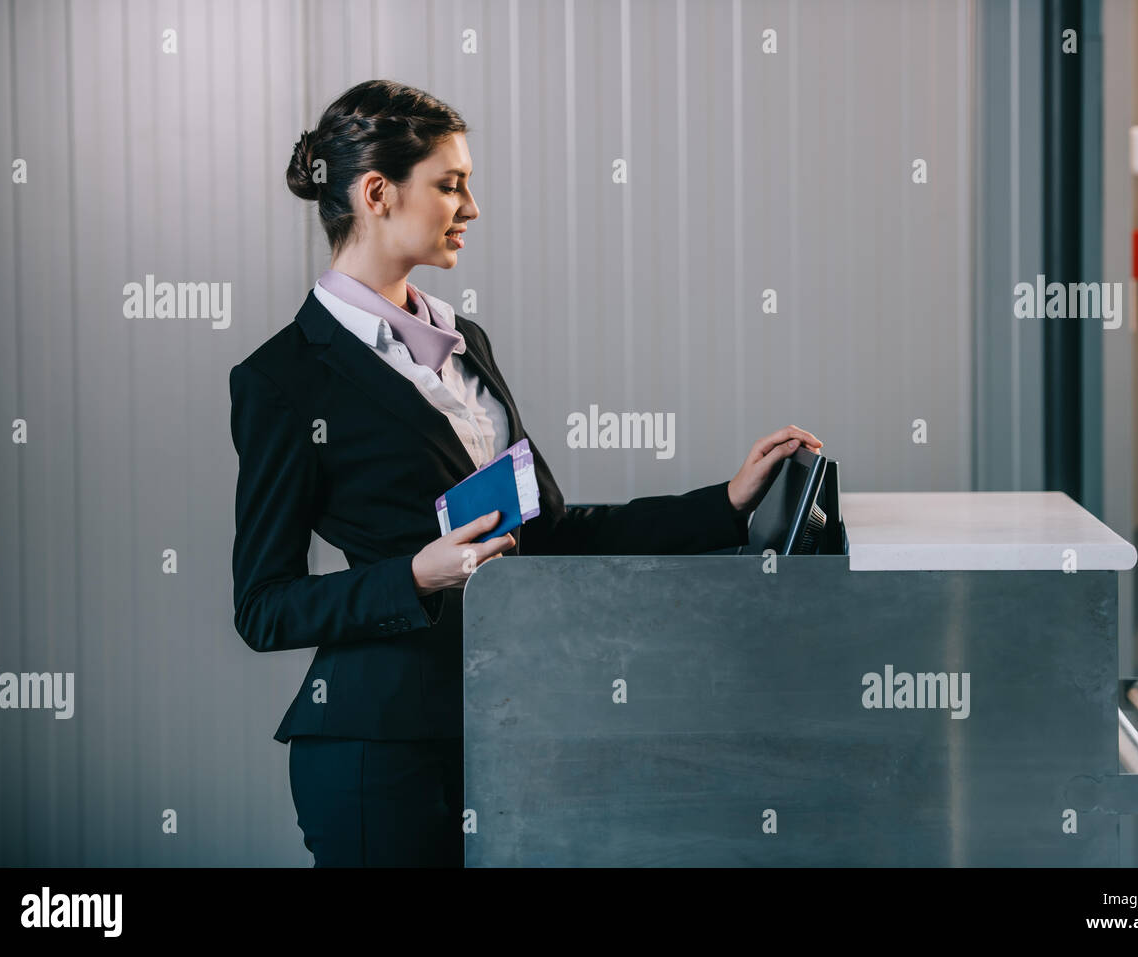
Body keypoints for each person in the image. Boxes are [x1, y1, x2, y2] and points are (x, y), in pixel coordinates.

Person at [228, 79, 822, 867]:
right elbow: (264, 607)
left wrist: (726, 503)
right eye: (450, 185)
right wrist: (415, 575)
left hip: (504, 727)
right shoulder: (283, 378)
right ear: (377, 193)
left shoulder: (463, 339)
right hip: (379, 752)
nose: (470, 207)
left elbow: (548, 532)